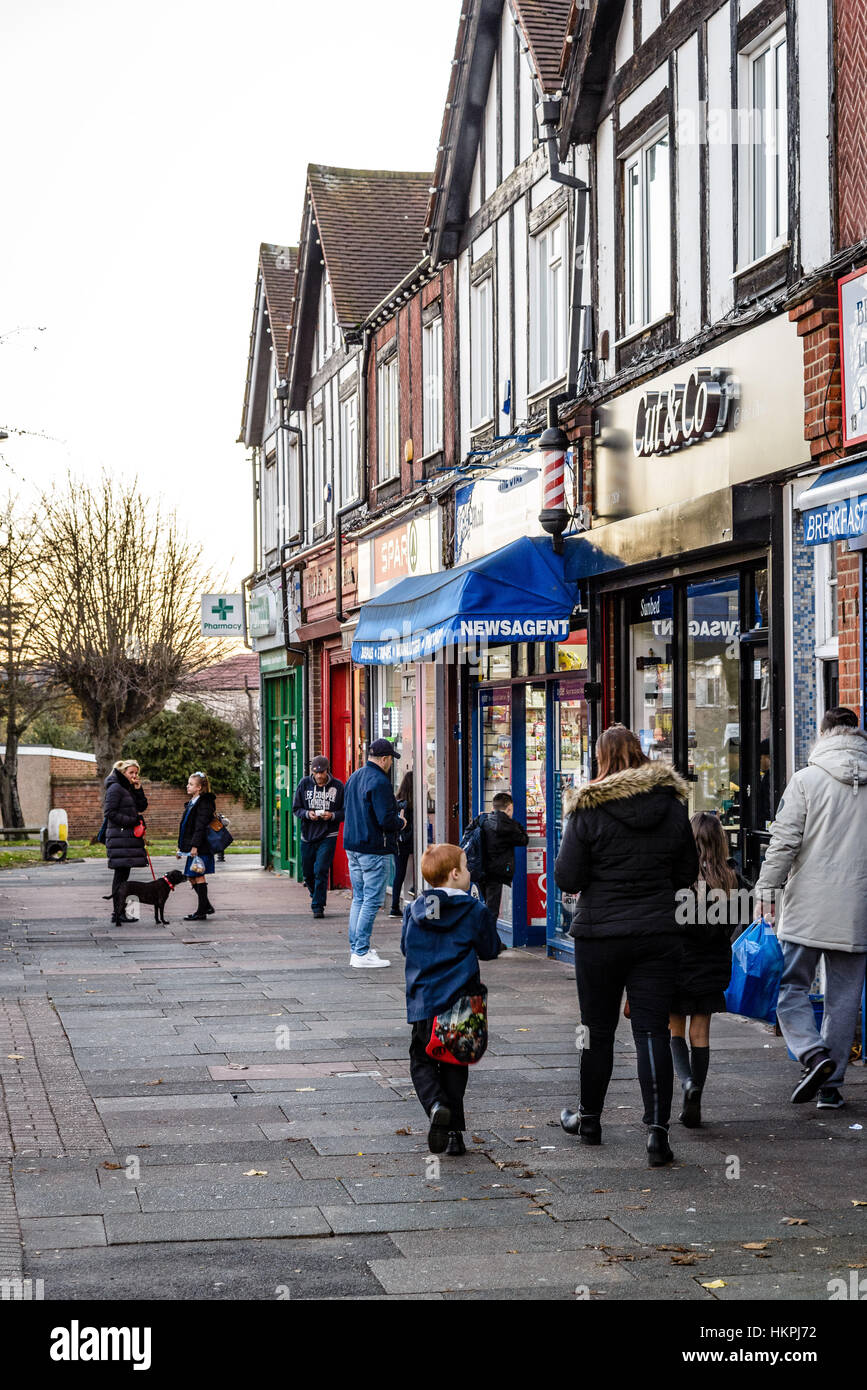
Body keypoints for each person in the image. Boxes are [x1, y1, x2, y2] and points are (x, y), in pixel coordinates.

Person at [554, 724, 699, 1167]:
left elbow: (567, 878)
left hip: (600, 936)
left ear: (601, 758)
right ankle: (657, 1133)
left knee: (595, 1029)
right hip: (657, 933)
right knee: (653, 1030)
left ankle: (590, 1118)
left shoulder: (587, 808)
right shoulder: (671, 806)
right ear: (640, 755)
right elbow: (686, 872)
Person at [755, 707, 867, 1109]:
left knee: (789, 987)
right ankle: (831, 1087)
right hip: (858, 912)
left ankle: (812, 1054)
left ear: (822, 734)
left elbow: (784, 842)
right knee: (843, 1000)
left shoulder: (806, 780)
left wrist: (766, 889)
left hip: (809, 908)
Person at [401, 843, 502, 1155]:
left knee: (421, 1058)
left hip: (424, 1000)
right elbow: (490, 949)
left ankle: (435, 1106)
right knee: (455, 1062)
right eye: (467, 866)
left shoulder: (416, 908)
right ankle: (456, 1134)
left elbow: (407, 949)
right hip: (461, 1000)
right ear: (456, 874)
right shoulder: (474, 910)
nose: (470, 871)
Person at [670, 812, 745, 1128]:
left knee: (675, 1030)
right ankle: (696, 1097)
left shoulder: (678, 880)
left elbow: (671, 923)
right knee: (700, 1032)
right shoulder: (732, 880)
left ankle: (686, 1083)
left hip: (678, 965)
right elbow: (733, 925)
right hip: (713, 967)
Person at [342, 738, 405, 968]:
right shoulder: (380, 782)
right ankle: (361, 952)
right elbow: (385, 820)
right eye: (390, 760)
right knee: (371, 901)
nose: (390, 765)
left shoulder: (355, 776)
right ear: (385, 759)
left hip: (353, 846)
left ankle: (357, 949)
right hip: (373, 848)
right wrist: (401, 822)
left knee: (359, 898)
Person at [292, 755, 345, 919]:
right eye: (316, 773)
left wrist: (333, 815)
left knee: (321, 869)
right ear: (312, 773)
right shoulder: (304, 784)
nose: (319, 776)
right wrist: (308, 814)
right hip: (308, 834)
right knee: (308, 873)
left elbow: (345, 811)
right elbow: (296, 809)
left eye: (322, 772)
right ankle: (316, 895)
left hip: (328, 834)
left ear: (327, 771)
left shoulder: (338, 786)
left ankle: (318, 906)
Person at [103, 759, 148, 924]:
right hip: (119, 838)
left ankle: (120, 911)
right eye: (131, 773)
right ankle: (118, 913)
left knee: (123, 875)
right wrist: (132, 821)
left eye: (136, 773)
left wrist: (138, 789)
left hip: (127, 839)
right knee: (120, 876)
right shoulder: (115, 788)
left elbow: (142, 807)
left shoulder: (128, 787)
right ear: (123, 773)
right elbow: (110, 812)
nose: (135, 776)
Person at [479, 791, 529, 919]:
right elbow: (524, 840)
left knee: (485, 906)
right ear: (509, 808)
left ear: (493, 808)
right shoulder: (509, 826)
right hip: (498, 872)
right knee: (492, 909)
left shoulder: (484, 820)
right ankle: (488, 937)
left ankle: (486, 935)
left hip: (480, 869)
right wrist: (515, 823)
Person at [177, 771, 217, 922]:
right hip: (192, 846)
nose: (187, 786)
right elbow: (186, 828)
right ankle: (206, 906)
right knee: (191, 876)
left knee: (198, 875)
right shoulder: (193, 802)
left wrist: (195, 846)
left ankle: (201, 911)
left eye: (191, 784)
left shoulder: (204, 803)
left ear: (199, 787)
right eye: (188, 783)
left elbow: (200, 826)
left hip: (201, 846)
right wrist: (181, 848)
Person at [390, 770, 414, 919]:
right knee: (418, 867)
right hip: (410, 841)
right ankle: (414, 890)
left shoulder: (397, 801)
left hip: (398, 841)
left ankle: (394, 906)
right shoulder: (412, 804)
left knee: (399, 873)